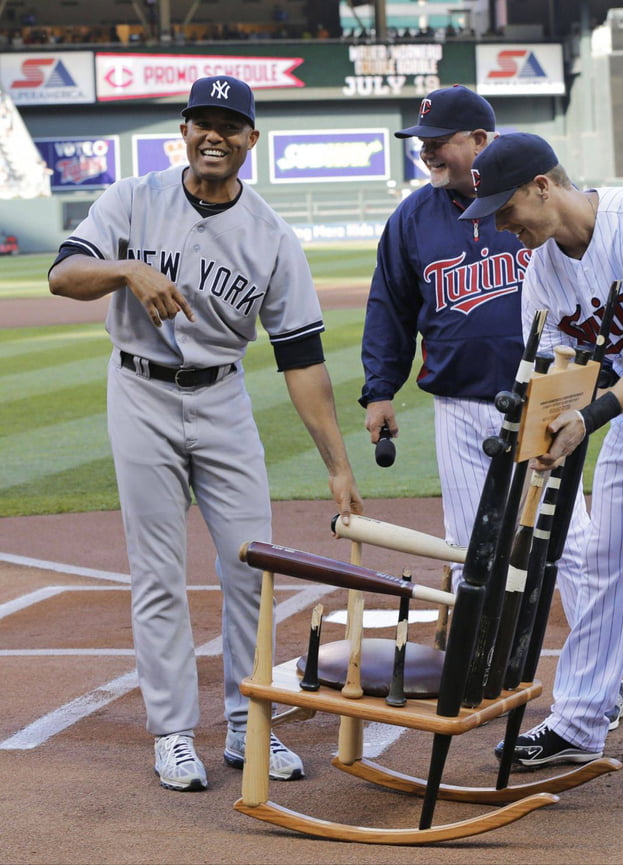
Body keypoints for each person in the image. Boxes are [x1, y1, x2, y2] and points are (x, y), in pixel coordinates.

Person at [48, 75, 363, 792]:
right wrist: (127, 268)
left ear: (252, 139)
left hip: (222, 400)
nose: (215, 134)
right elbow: (63, 274)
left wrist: (337, 464)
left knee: (251, 565)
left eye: (231, 124)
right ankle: (174, 734)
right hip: (139, 392)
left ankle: (250, 724)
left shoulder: (272, 238)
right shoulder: (132, 198)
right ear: (184, 132)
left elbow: (302, 359)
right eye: (203, 122)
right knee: (157, 571)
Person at [357, 86, 623, 725]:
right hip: (457, 403)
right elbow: (390, 307)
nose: (426, 152)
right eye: (420, 142)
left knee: (577, 548)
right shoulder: (412, 219)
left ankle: (601, 686)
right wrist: (379, 389)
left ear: (481, 142)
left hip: (544, 401)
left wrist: (588, 387)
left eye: (439, 141)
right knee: (471, 546)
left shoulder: (533, 203)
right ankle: (480, 671)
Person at [462, 131, 623, 809]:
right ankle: (580, 720)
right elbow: (557, 377)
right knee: (598, 557)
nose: (502, 228)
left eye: (506, 210)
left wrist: (587, 419)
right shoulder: (542, 273)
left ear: (544, 184)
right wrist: (538, 438)